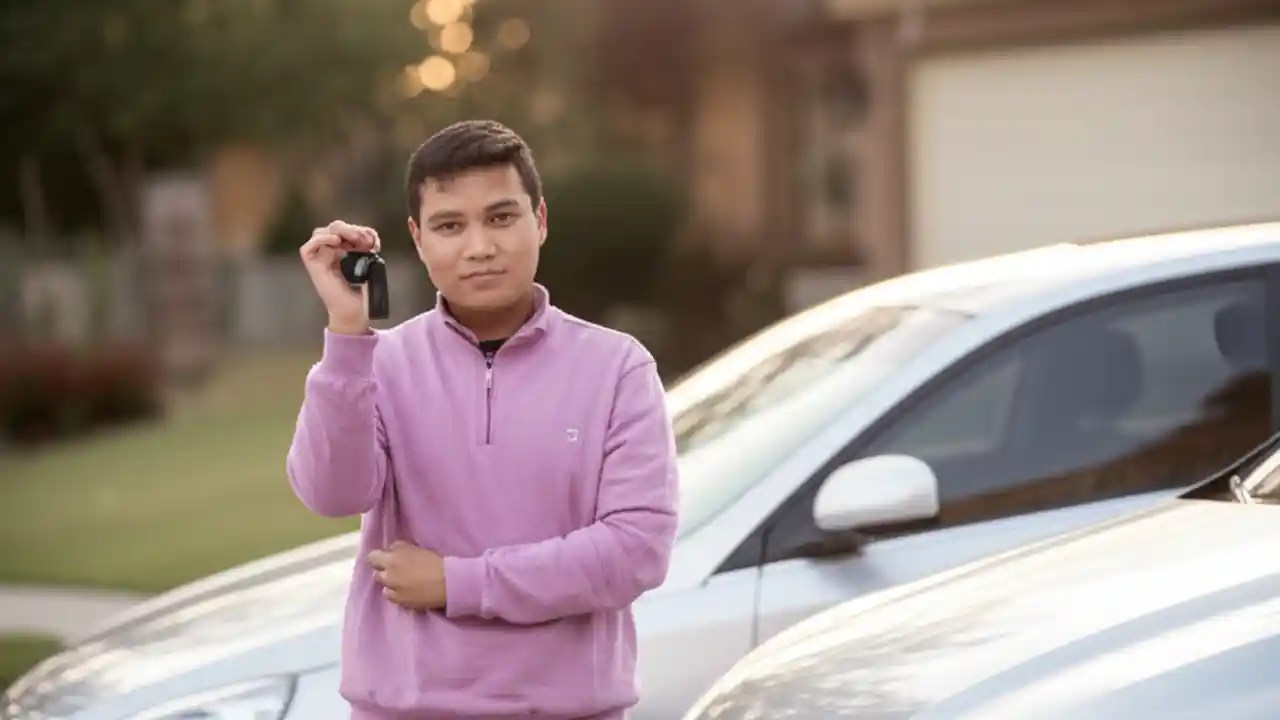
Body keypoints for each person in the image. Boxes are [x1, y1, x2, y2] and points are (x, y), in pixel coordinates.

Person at [286, 119, 679, 719]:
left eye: (501, 217)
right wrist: (347, 332)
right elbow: (331, 494)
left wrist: (458, 583)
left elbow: (635, 551)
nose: (479, 247)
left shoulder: (617, 367)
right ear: (417, 239)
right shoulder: (379, 364)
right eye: (450, 226)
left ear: (539, 220)